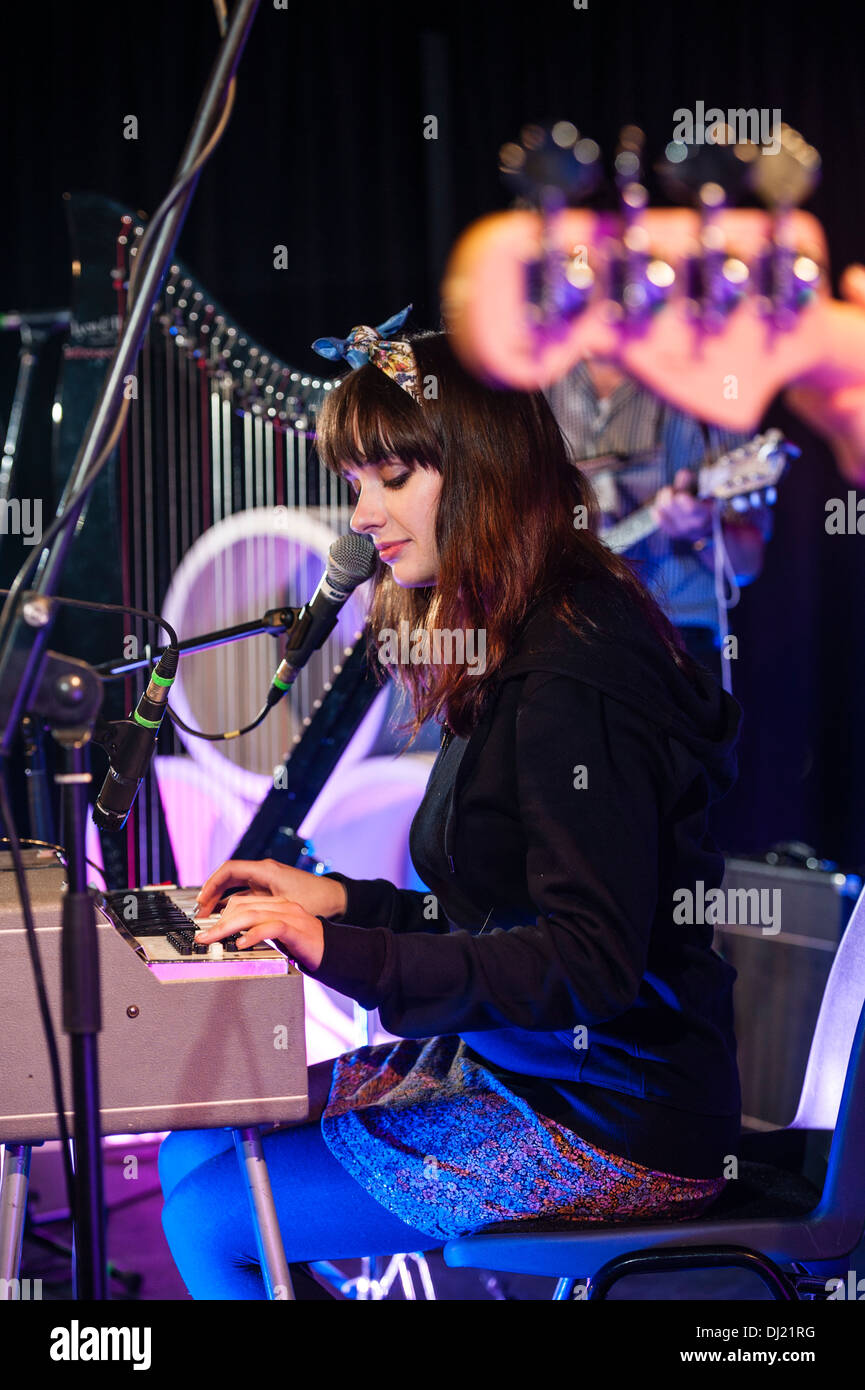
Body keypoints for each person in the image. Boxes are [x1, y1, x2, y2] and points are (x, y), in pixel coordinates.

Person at [159, 323, 743, 1300]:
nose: (365, 517)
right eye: (355, 483)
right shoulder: (519, 631)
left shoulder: (568, 672)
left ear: (480, 472)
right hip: (527, 1067)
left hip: (607, 1114)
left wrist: (349, 950)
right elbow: (496, 916)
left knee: (207, 1218)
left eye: (392, 476)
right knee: (197, 1145)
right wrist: (342, 903)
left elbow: (587, 960)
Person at [545, 357, 773, 677]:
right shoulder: (532, 375)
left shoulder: (713, 384)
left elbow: (747, 563)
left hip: (675, 642)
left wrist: (704, 529)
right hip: (559, 638)